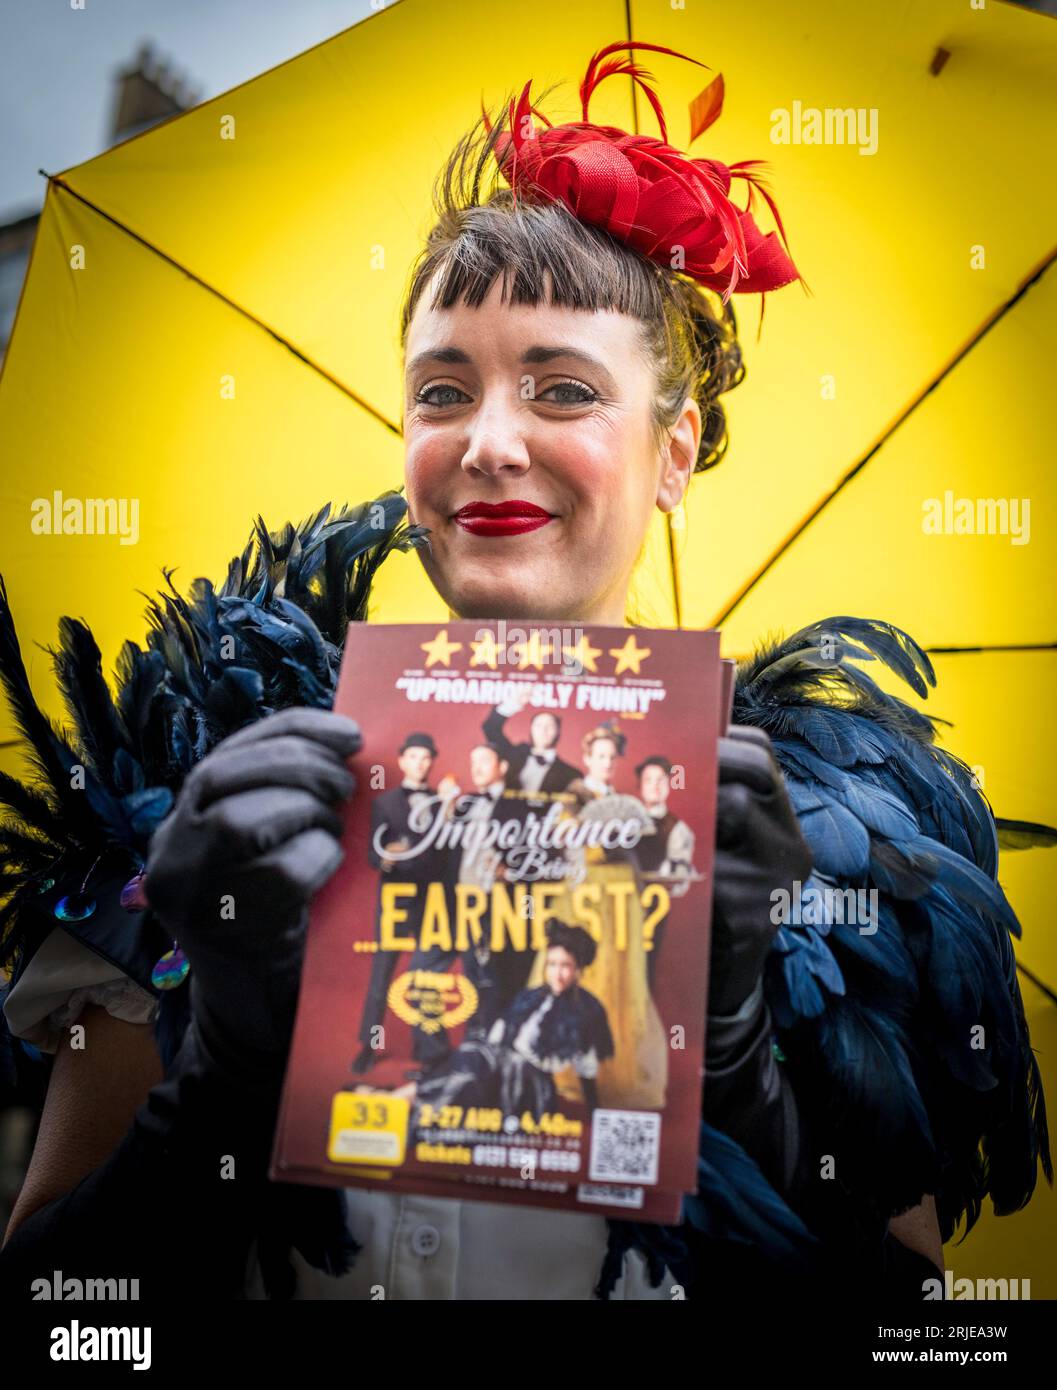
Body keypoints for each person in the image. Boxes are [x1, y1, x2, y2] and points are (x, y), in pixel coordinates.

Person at [0, 39, 1048, 1303]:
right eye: (443, 391)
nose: (490, 442)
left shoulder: (823, 857)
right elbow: (56, 1327)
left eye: (561, 387)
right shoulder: (195, 792)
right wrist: (227, 1060)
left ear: (675, 448)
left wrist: (736, 1063)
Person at [360, 922, 615, 1120]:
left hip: (525, 1087)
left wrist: (594, 1108)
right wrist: (486, 1053)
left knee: (472, 1070)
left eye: (565, 966)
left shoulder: (587, 1010)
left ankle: (397, 1101)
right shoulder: (531, 996)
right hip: (497, 1066)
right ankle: (401, 1099)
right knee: (470, 1055)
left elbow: (586, 1065)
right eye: (552, 964)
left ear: (579, 969)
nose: (556, 973)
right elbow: (500, 1034)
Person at [354, 732, 444, 1074]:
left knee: (427, 978)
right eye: (414, 757)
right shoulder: (385, 803)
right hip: (394, 899)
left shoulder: (441, 802)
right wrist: (384, 859)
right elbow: (372, 855)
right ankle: (368, 1046)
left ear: (431, 762)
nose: (420, 764)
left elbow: (447, 856)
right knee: (381, 978)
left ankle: (430, 1055)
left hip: (431, 901)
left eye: (426, 758)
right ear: (402, 760)